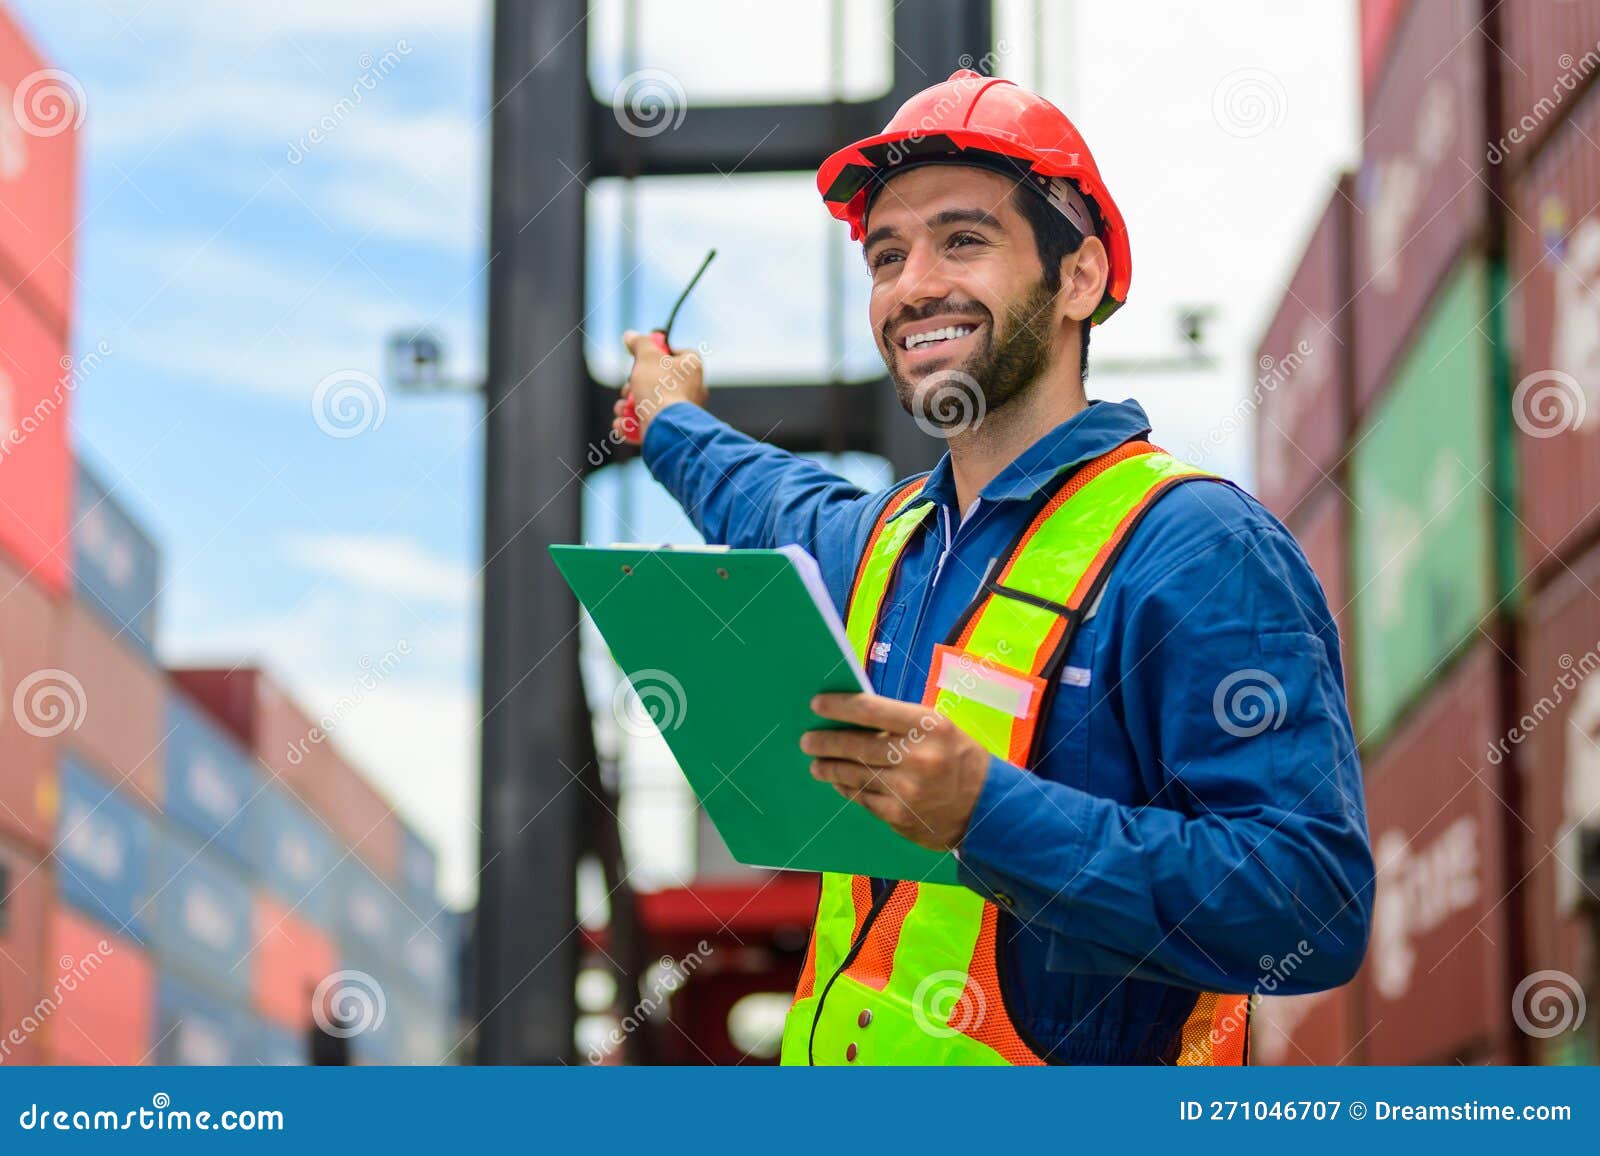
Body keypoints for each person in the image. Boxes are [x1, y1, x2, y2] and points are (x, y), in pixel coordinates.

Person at [614, 70, 1373, 1066]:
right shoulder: (883, 546)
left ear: (1079, 278)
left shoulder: (1194, 549)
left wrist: (987, 811)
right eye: (888, 254)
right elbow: (756, 497)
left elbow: (1308, 903)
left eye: (962, 240)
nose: (914, 282)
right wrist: (670, 416)